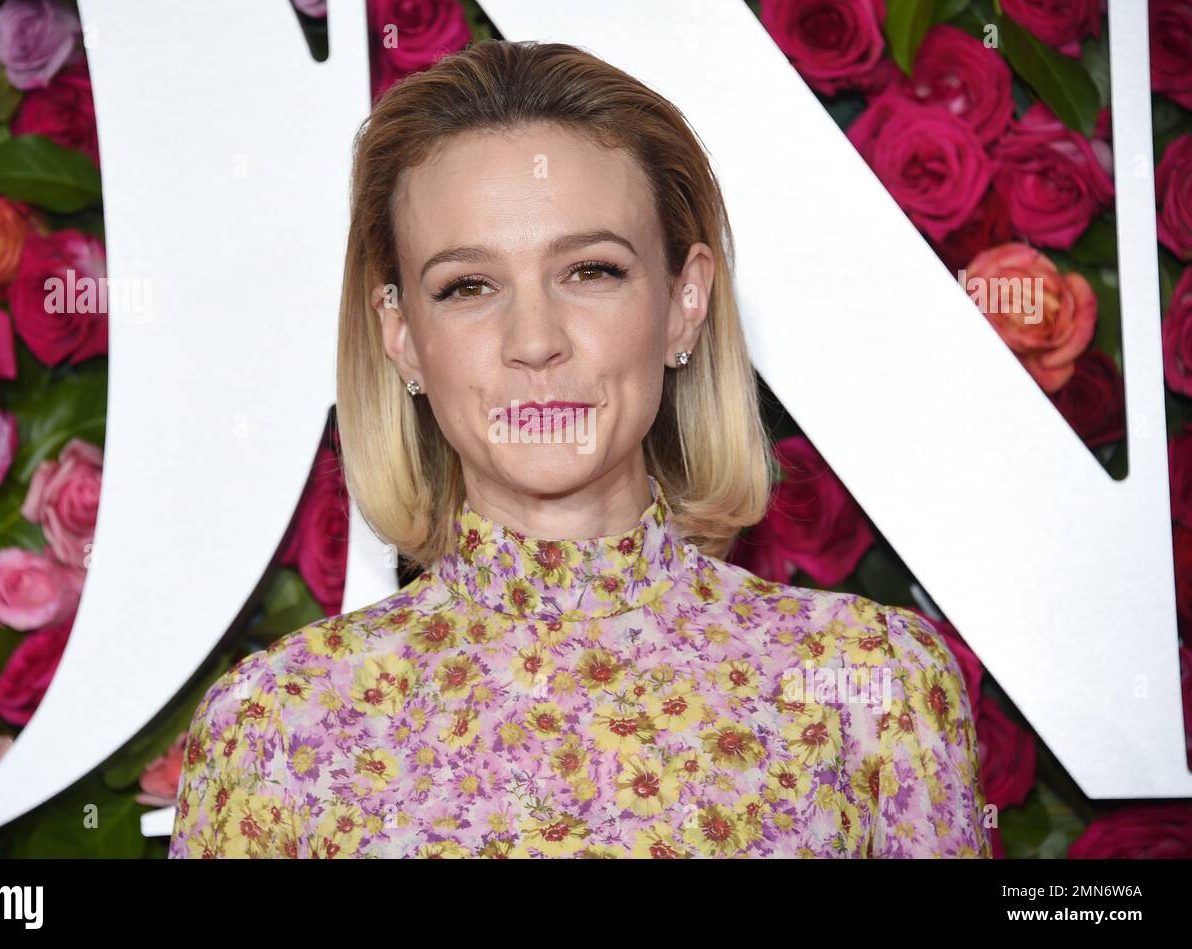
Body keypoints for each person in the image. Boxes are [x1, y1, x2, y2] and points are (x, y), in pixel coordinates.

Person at [168, 39, 991, 859]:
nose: (534, 341)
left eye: (591, 271)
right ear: (403, 336)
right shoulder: (275, 726)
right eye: (468, 286)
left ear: (683, 301)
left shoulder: (872, 686)